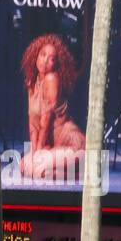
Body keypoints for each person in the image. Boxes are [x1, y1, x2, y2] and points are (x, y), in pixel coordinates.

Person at [19, 33, 86, 184]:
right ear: (36, 55)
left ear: (56, 64)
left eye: (51, 59)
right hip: (52, 146)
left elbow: (46, 118)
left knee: (38, 170)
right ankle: (67, 171)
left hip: (72, 144)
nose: (45, 61)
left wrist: (39, 152)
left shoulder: (52, 79)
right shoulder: (31, 81)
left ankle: (79, 172)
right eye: (42, 55)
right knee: (23, 166)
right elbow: (32, 122)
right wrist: (35, 150)